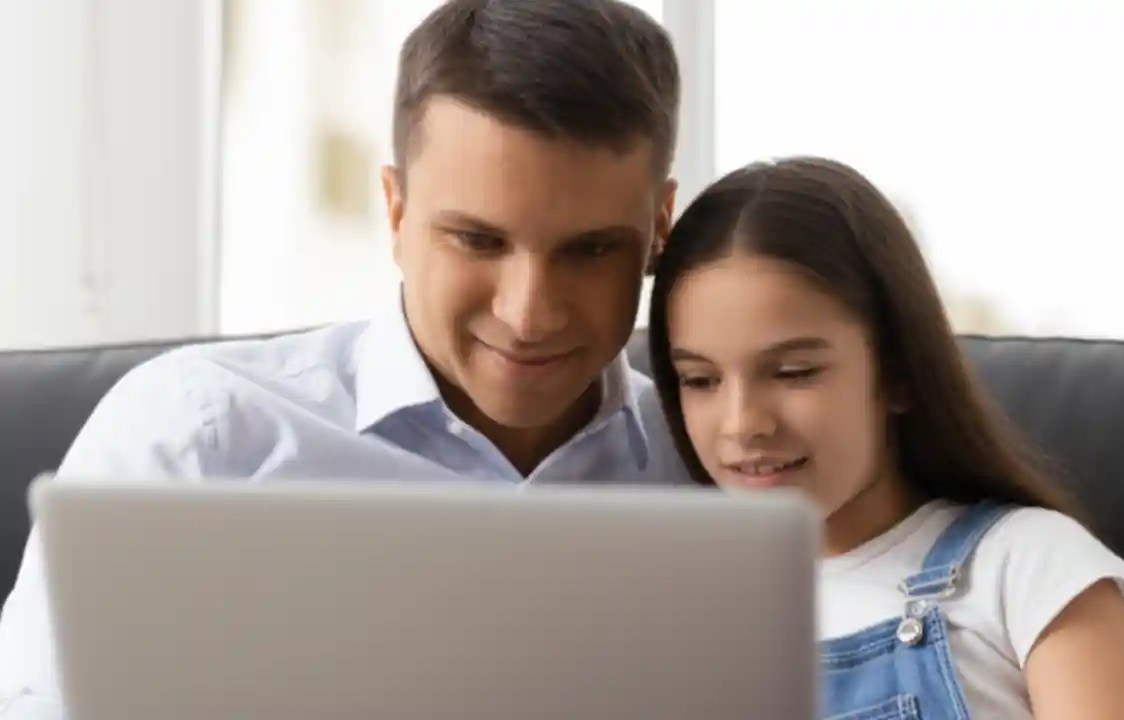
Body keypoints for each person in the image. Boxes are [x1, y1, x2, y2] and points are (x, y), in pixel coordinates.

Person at [0, 1, 690, 715]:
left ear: (659, 230)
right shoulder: (199, 437)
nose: (528, 315)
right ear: (396, 211)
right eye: (478, 240)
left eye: (591, 250)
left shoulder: (713, 465)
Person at [647, 157, 1124, 718]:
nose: (742, 423)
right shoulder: (679, 614)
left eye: (794, 372)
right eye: (701, 380)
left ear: (898, 371)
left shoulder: (1028, 567)